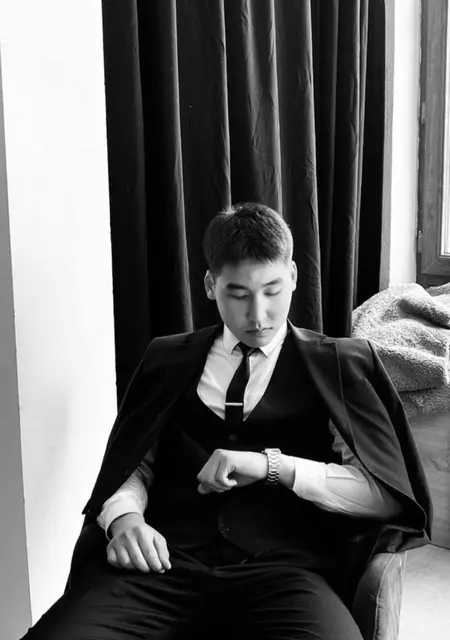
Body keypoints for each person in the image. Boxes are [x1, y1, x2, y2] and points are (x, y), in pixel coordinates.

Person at [21, 203, 431, 640]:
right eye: (238, 294)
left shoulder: (340, 366)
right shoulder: (165, 359)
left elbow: (382, 496)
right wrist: (125, 519)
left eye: (272, 290)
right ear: (209, 285)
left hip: (284, 573)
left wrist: (273, 466)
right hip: (160, 565)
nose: (258, 315)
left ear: (294, 275)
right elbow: (132, 465)